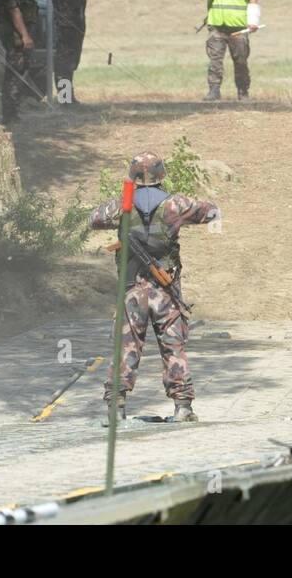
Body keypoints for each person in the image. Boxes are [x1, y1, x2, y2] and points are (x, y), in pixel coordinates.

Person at [93, 153, 219, 422]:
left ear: (133, 176)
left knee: (125, 346)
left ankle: (116, 408)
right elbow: (211, 211)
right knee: (173, 346)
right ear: (162, 174)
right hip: (165, 290)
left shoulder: (122, 205)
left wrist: (127, 205)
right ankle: (183, 407)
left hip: (131, 290)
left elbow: (94, 219)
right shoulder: (175, 204)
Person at [197, 0, 260, 101]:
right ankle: (214, 91)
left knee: (241, 62)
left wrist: (253, 21)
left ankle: (243, 92)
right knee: (215, 61)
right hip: (217, 27)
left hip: (238, 28)